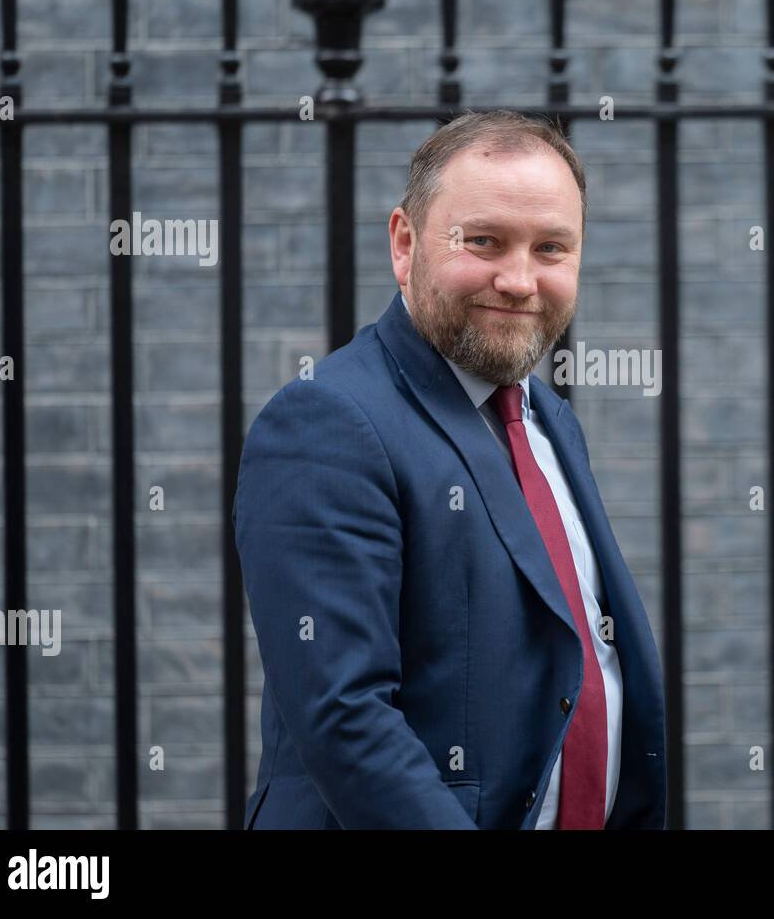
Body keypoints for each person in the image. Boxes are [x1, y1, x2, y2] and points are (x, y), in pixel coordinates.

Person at [233, 109, 666, 829]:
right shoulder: (326, 423)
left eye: (551, 248)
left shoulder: (548, 421)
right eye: (485, 241)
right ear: (405, 243)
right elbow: (346, 717)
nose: (520, 279)